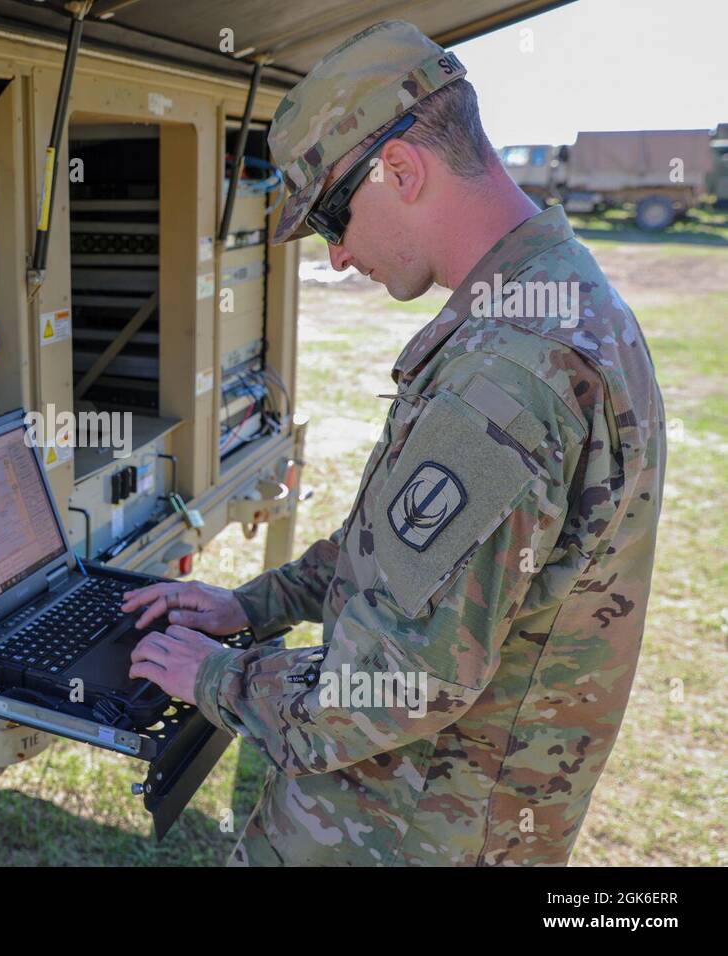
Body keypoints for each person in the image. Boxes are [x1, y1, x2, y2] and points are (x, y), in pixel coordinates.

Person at [122, 19, 666, 866]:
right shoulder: (545, 301)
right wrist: (254, 606)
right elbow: (403, 554)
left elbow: (389, 690)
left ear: (401, 171)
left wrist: (213, 678)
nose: (336, 257)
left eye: (332, 219)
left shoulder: (509, 376)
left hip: (411, 832)